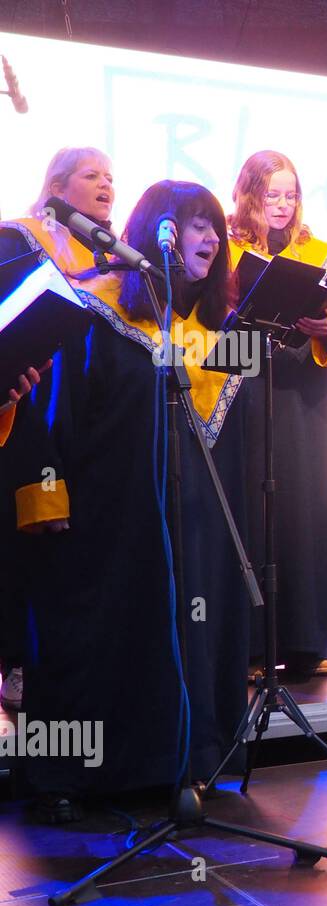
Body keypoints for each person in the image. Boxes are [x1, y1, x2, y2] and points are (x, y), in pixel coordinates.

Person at [7, 181, 250, 821]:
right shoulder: (94, 310)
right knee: (90, 637)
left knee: (175, 631)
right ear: (155, 232)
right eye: (192, 224)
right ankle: (66, 775)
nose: (208, 237)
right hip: (99, 520)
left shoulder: (222, 334)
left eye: (214, 226)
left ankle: (179, 762)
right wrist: (46, 504)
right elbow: (49, 418)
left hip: (183, 525)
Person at [227, 151, 327, 679]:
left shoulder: (322, 252)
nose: (283, 205)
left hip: (307, 396)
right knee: (253, 514)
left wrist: (326, 327)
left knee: (307, 513)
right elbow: (209, 329)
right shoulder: (224, 248)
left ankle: (309, 643)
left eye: (290, 194)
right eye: (272, 194)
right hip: (246, 392)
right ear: (249, 195)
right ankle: (252, 648)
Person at [0, 147, 116, 712]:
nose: (106, 185)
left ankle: (56, 664)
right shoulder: (15, 239)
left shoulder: (111, 255)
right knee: (27, 536)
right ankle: (17, 662)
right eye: (92, 175)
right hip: (21, 415)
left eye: (110, 177)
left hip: (83, 420)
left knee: (68, 540)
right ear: (56, 186)